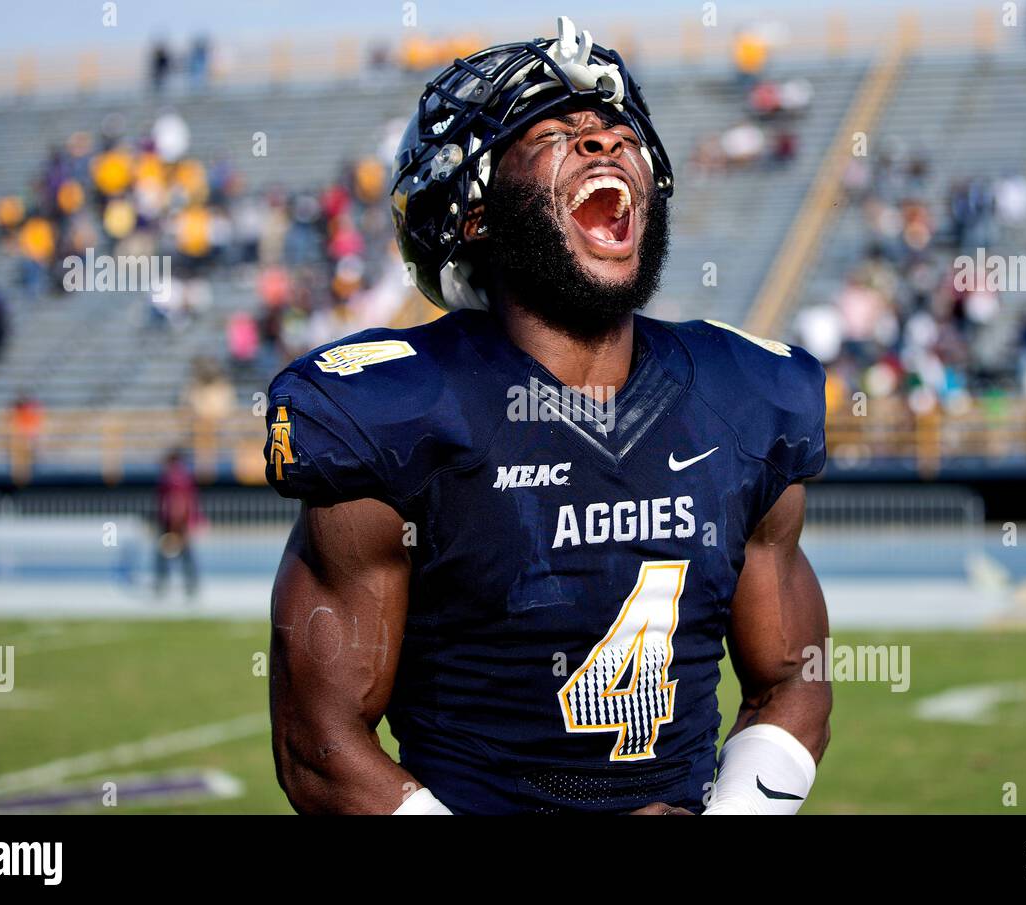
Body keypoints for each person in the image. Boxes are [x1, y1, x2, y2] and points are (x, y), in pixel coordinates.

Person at [265, 17, 830, 815]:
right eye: (557, 133)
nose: (603, 142)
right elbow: (318, 746)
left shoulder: (746, 395)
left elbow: (791, 680)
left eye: (614, 131)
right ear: (473, 214)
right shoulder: (394, 410)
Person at [154, 448, 200, 601]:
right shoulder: (184, 476)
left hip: (175, 523)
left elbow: (177, 502)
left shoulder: (172, 477)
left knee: (168, 554)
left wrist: (175, 523)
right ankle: (191, 585)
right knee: (185, 555)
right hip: (181, 522)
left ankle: (163, 584)